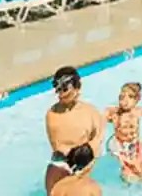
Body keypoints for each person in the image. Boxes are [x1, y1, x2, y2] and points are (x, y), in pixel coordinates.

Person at [45, 67, 104, 195]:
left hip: (83, 163)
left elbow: (98, 140)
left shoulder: (91, 113)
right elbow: (57, 146)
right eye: (58, 90)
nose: (60, 94)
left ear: (77, 88)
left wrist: (86, 157)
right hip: (60, 165)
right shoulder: (53, 114)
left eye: (65, 89)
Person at [105, 82, 142, 184]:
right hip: (118, 146)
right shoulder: (114, 113)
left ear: (137, 99)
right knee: (128, 172)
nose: (125, 101)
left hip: (133, 145)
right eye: (122, 97)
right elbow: (99, 122)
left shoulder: (139, 112)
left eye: (130, 97)